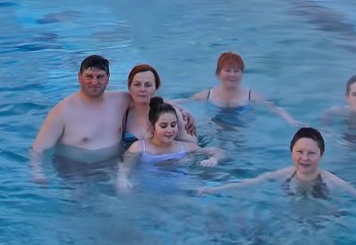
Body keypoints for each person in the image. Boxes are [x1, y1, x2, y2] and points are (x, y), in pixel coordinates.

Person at [29, 55, 196, 183]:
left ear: (108, 78)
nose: (94, 82)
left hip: (113, 167)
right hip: (76, 171)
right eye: (89, 76)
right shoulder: (63, 111)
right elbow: (38, 148)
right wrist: (38, 173)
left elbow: (146, 97)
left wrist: (181, 109)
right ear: (79, 77)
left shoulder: (119, 100)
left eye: (100, 77)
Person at [196, 126, 356, 226]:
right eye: (300, 152)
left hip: (322, 219)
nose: (305, 158)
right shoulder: (283, 175)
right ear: (292, 152)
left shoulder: (331, 180)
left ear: (321, 155)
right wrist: (214, 189)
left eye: (311, 153)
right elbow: (249, 183)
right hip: (291, 218)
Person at [117, 97, 225, 193]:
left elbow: (218, 151)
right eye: (163, 126)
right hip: (148, 193)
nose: (170, 130)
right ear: (153, 126)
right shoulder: (139, 147)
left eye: (173, 125)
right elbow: (124, 168)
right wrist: (122, 180)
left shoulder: (185, 147)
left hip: (181, 191)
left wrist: (213, 159)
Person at [190, 51, 300, 125]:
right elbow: (185, 101)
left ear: (242, 74)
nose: (232, 75)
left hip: (239, 130)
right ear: (218, 73)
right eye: (228, 70)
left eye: (236, 71)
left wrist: (293, 121)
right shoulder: (208, 95)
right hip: (214, 127)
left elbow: (275, 108)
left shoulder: (251, 95)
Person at [122, 63, 198, 146]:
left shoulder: (172, 114)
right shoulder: (123, 113)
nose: (142, 89)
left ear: (156, 88)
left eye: (148, 85)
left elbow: (193, 145)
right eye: (137, 84)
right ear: (129, 87)